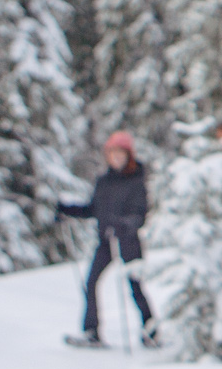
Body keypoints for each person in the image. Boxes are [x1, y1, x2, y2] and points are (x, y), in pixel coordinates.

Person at [58, 131, 155, 350]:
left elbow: (140, 215)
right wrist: (68, 210)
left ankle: (151, 331)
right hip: (105, 241)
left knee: (135, 286)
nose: (116, 158)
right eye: (112, 153)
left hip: (128, 242)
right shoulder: (104, 181)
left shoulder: (136, 180)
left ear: (128, 155)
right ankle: (91, 332)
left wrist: (123, 225)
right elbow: (94, 209)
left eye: (120, 153)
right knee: (91, 282)